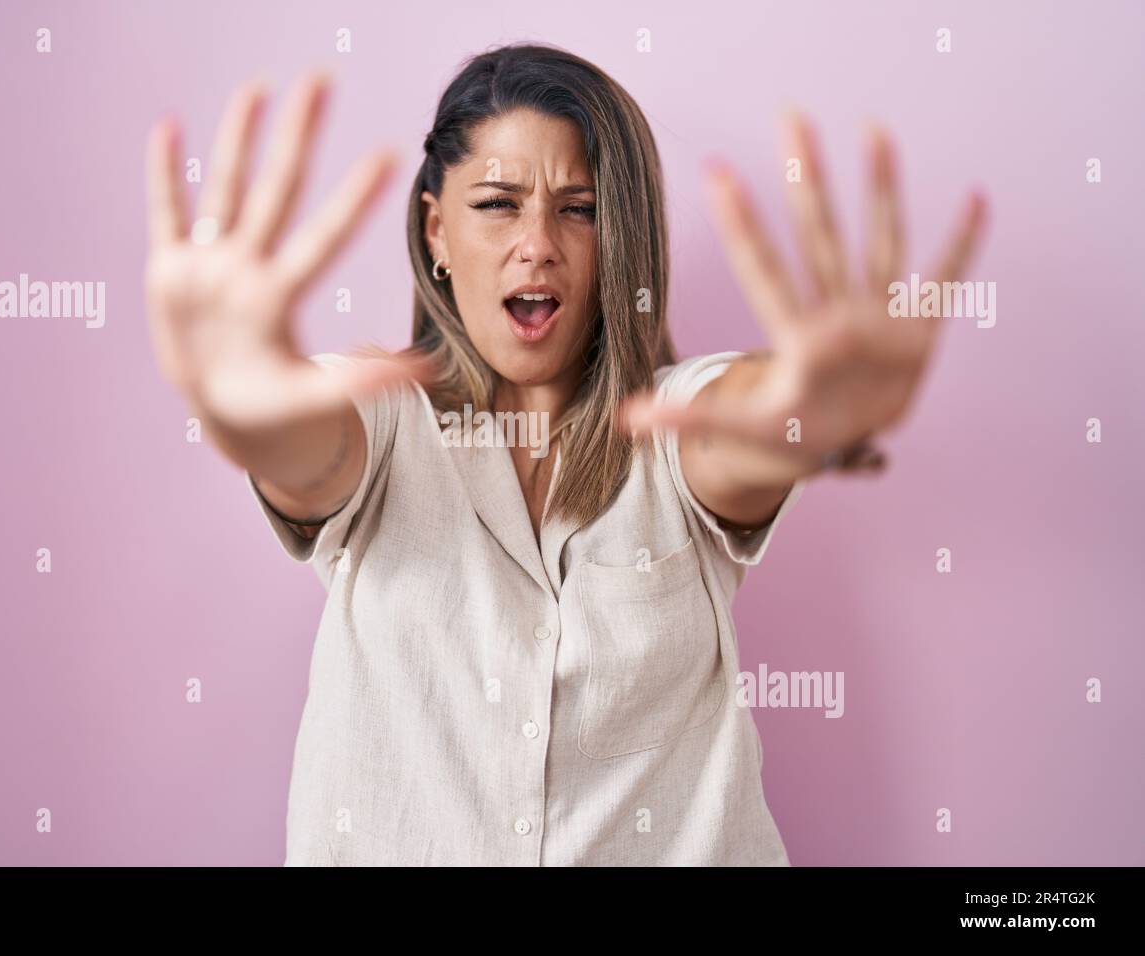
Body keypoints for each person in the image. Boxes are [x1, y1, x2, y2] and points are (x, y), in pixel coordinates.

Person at [143, 43, 985, 865]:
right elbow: (306, 446)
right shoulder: (386, 418)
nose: (538, 243)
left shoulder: (670, 428)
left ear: (620, 238)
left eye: (578, 209)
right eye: (498, 203)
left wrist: (808, 411)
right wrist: (237, 405)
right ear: (437, 231)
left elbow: (744, 423)